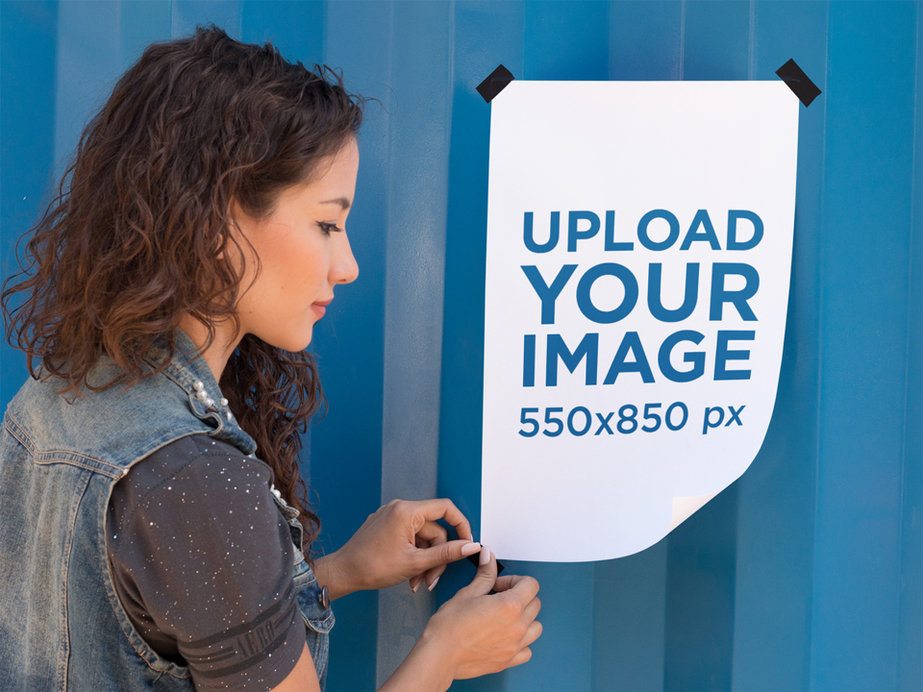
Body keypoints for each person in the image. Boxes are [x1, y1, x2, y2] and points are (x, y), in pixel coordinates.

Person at [0, 24, 541, 691]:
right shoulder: (191, 475)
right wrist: (445, 655)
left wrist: (336, 573)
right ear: (214, 219)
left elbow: (138, 623)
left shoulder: (55, 396)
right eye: (325, 223)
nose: (346, 266)